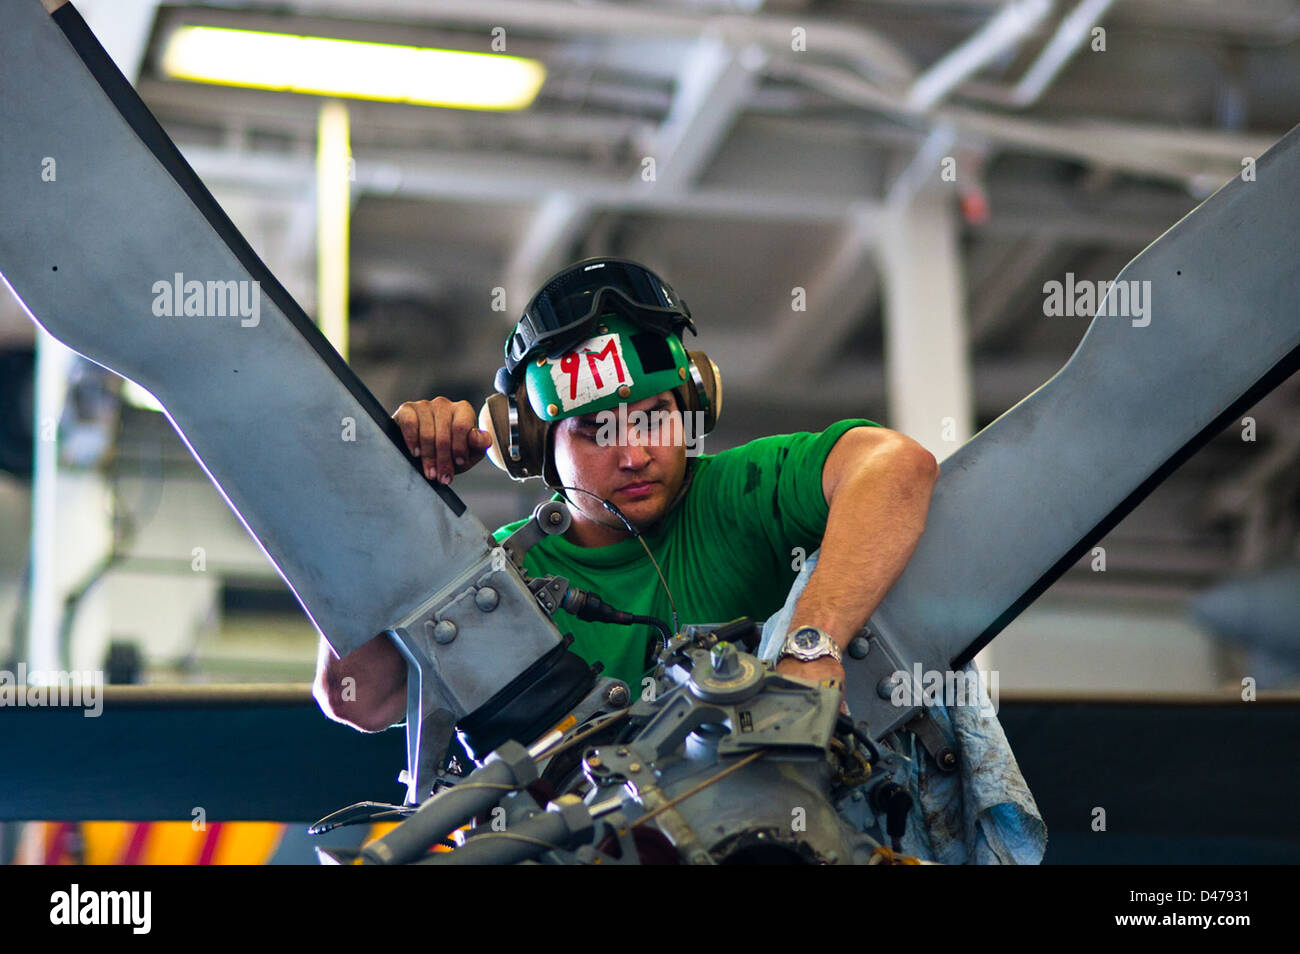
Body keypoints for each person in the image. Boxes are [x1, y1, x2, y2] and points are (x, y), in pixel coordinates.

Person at [314, 257, 1045, 863]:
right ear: (533, 446)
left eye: (655, 416)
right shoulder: (495, 586)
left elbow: (897, 467)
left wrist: (811, 644)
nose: (634, 452)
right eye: (597, 428)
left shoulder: (740, 493)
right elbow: (357, 696)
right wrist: (388, 504)